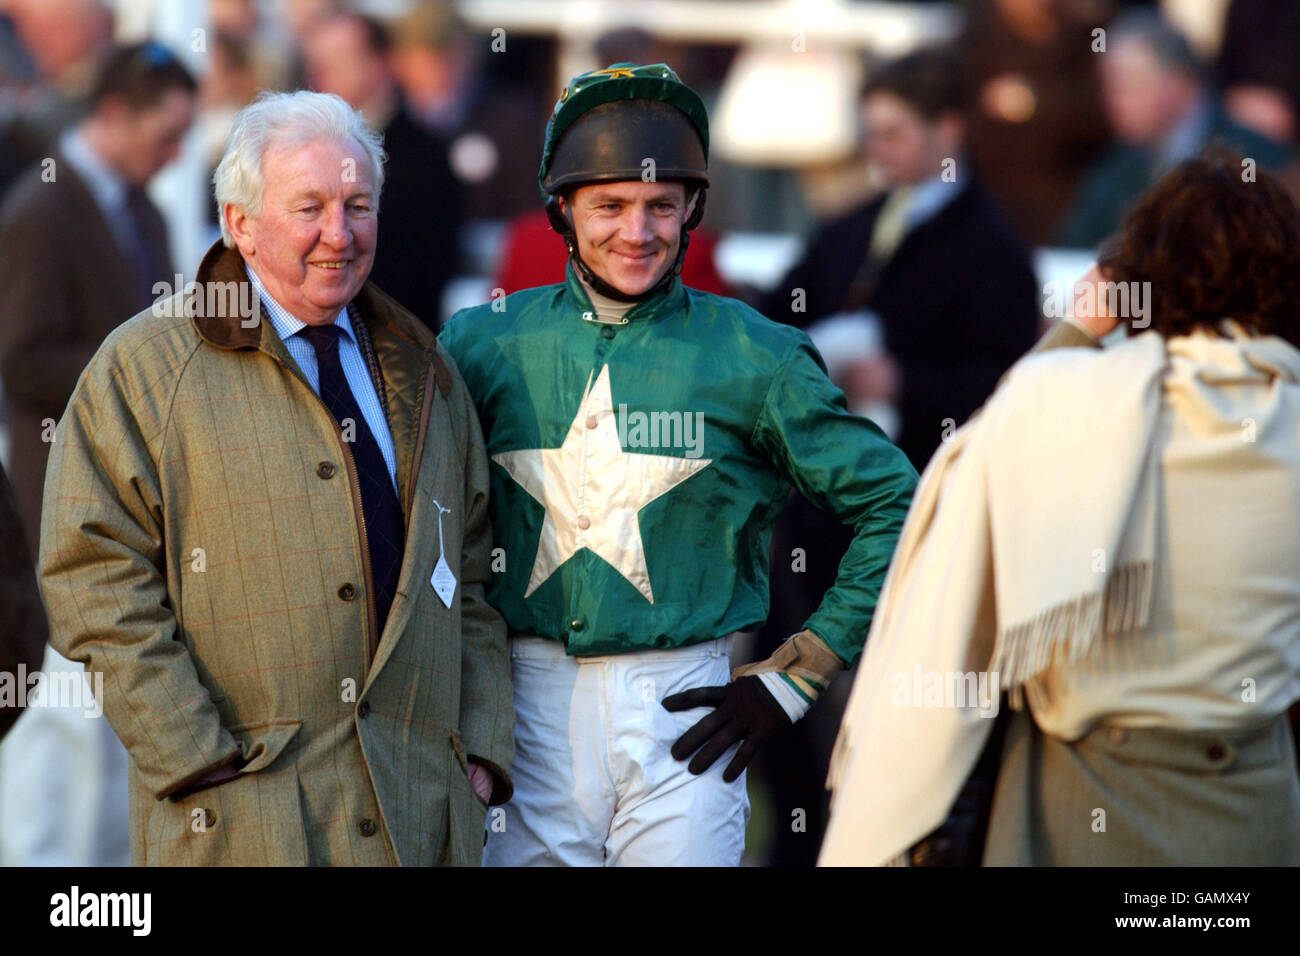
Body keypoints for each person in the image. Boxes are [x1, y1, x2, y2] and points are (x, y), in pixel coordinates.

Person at [439, 63, 917, 866]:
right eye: (610, 207)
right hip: (520, 707)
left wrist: (796, 674)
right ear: (562, 209)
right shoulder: (479, 343)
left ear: (693, 208)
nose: (638, 231)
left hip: (685, 707)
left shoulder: (755, 351)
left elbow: (898, 503)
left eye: (662, 206)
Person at [39, 90, 514, 866]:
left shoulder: (425, 370)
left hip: (418, 819)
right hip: (244, 825)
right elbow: (90, 571)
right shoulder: (145, 368)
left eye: (358, 204)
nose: (340, 233)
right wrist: (194, 754)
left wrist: (481, 753)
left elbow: (474, 572)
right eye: (310, 207)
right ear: (240, 224)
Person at [821, 153, 1300, 866]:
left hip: (1090, 800)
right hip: (1254, 807)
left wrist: (1079, 327)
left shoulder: (1070, 402)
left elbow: (994, 443)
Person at [760, 48, 1040, 474]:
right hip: (820, 483)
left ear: (946, 132)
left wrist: (901, 383)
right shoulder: (851, 226)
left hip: (926, 486)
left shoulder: (994, 248)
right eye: (870, 134)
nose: (876, 150)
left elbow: (1005, 383)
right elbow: (781, 311)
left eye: (893, 134)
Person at [0, 40, 196, 554]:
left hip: (131, 497)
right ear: (114, 112)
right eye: (168, 137)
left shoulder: (146, 211)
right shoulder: (39, 212)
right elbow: (25, 363)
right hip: (60, 497)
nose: (176, 156)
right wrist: (143, 373)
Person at [1057, 9, 1292, 248]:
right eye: (1106, 86)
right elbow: (1074, 249)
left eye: (1126, 85)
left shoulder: (1257, 157)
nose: (1111, 99)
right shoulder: (1117, 166)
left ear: (1180, 83)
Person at [302, 10, 463, 331]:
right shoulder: (298, 153)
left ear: (379, 62)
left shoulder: (425, 158)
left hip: (392, 345)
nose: (321, 73)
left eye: (338, 59)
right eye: (315, 61)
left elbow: (421, 273)